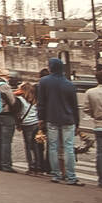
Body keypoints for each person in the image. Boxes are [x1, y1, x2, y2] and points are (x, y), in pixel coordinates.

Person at [38, 57, 83, 185]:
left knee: (53, 147)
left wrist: (41, 118)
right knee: (68, 147)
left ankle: (56, 174)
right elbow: (75, 106)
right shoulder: (69, 84)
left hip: (51, 118)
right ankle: (71, 176)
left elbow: (41, 102)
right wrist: (77, 123)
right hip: (68, 119)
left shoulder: (44, 82)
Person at [17, 81, 46, 175]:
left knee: (28, 146)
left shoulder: (20, 99)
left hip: (26, 124)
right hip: (36, 124)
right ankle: (39, 166)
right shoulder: (35, 100)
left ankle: (31, 166)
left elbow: (18, 112)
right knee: (36, 146)